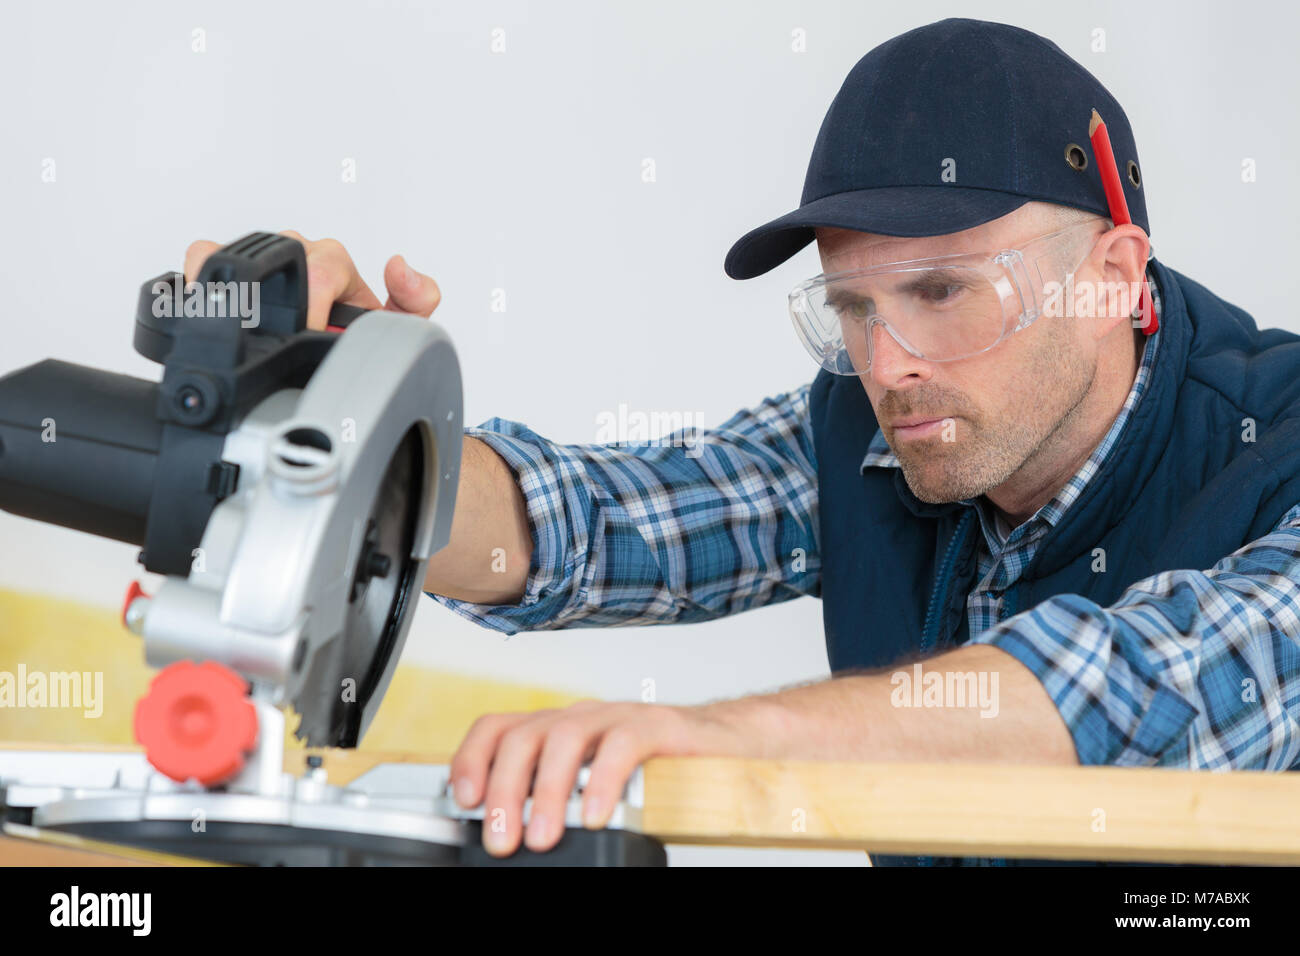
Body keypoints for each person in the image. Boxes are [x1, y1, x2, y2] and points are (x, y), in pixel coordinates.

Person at [185, 19, 1300, 865]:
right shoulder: (877, 432)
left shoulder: (1278, 445)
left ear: (1111, 277)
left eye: (945, 290)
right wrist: (359, 428)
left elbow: (1143, 689)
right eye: (852, 307)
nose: (890, 360)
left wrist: (722, 735)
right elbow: (594, 520)